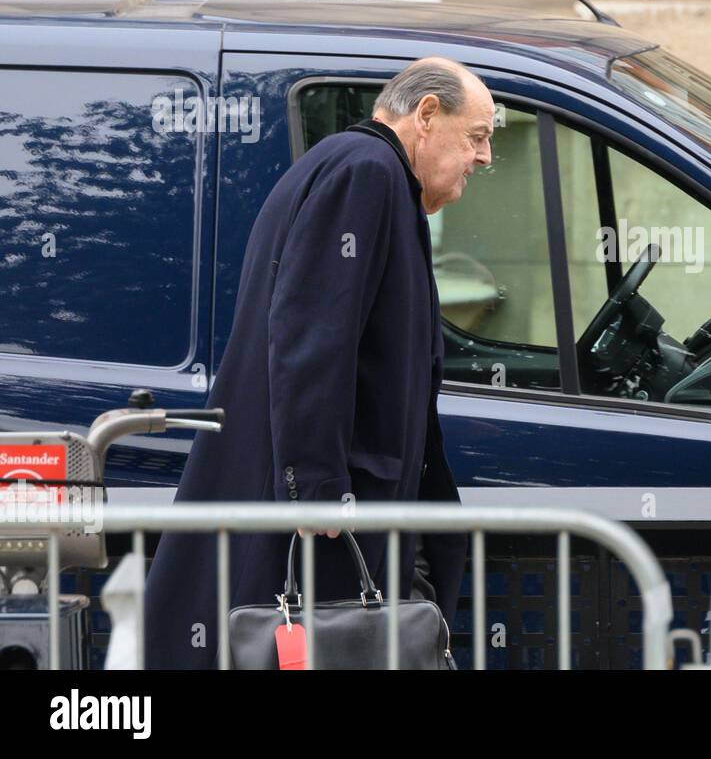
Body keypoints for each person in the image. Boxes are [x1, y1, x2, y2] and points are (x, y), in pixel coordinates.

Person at [144, 58, 494, 668]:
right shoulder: (368, 172)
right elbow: (312, 334)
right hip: (332, 516)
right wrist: (316, 486)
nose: (485, 157)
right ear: (427, 115)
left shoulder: (357, 167)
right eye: (478, 136)